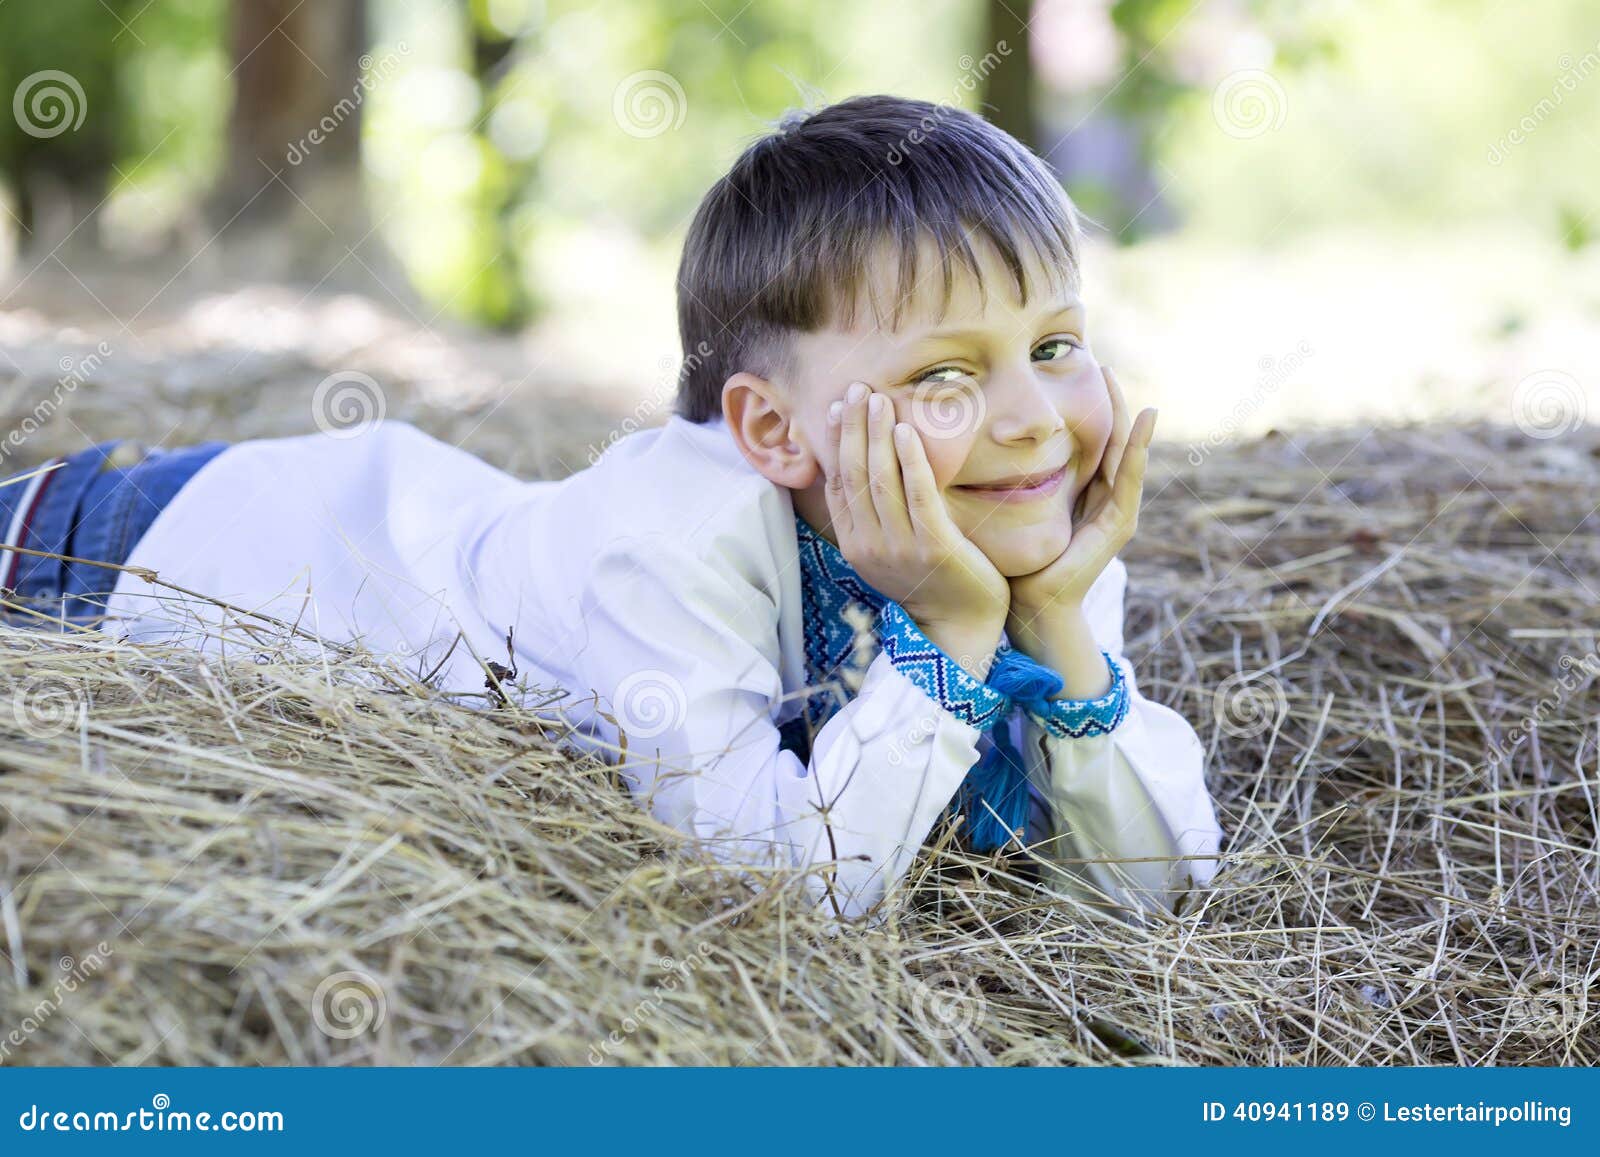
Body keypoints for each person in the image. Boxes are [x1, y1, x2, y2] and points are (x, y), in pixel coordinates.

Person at [0, 94, 1223, 924]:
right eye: (942, 375)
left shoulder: (1016, 516)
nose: (1031, 418)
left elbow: (1150, 888)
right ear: (771, 430)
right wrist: (952, 632)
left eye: (1057, 344)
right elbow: (780, 895)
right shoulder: (675, 541)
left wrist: (1057, 627)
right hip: (136, 562)